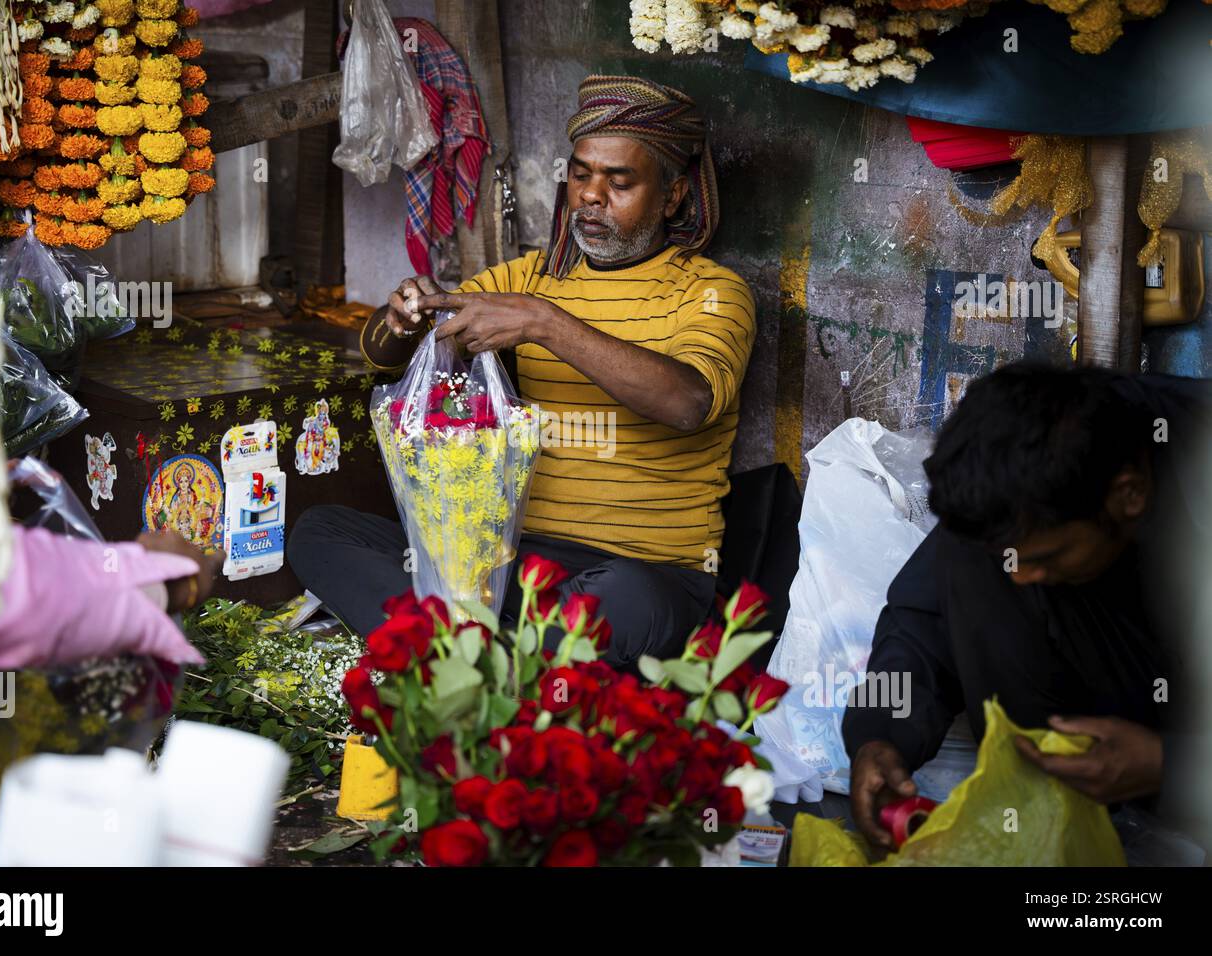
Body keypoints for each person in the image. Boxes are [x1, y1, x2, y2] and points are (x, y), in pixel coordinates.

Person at [290, 75, 756, 667]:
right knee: (322, 532)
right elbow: (381, 355)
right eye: (581, 175)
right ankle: (492, 659)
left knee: (627, 602)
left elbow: (687, 403)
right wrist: (403, 316)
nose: (590, 195)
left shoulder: (711, 292)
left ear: (672, 197)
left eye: (620, 182)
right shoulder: (528, 277)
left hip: (639, 573)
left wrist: (545, 323)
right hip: (507, 564)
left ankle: (449, 654)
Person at [843, 362, 1211, 849]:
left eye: (1048, 555)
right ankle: (1047, 809)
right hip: (1117, 728)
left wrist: (1171, 764)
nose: (1018, 577)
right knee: (975, 551)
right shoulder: (1021, 501)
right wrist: (878, 736)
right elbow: (921, 627)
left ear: (1130, 493)